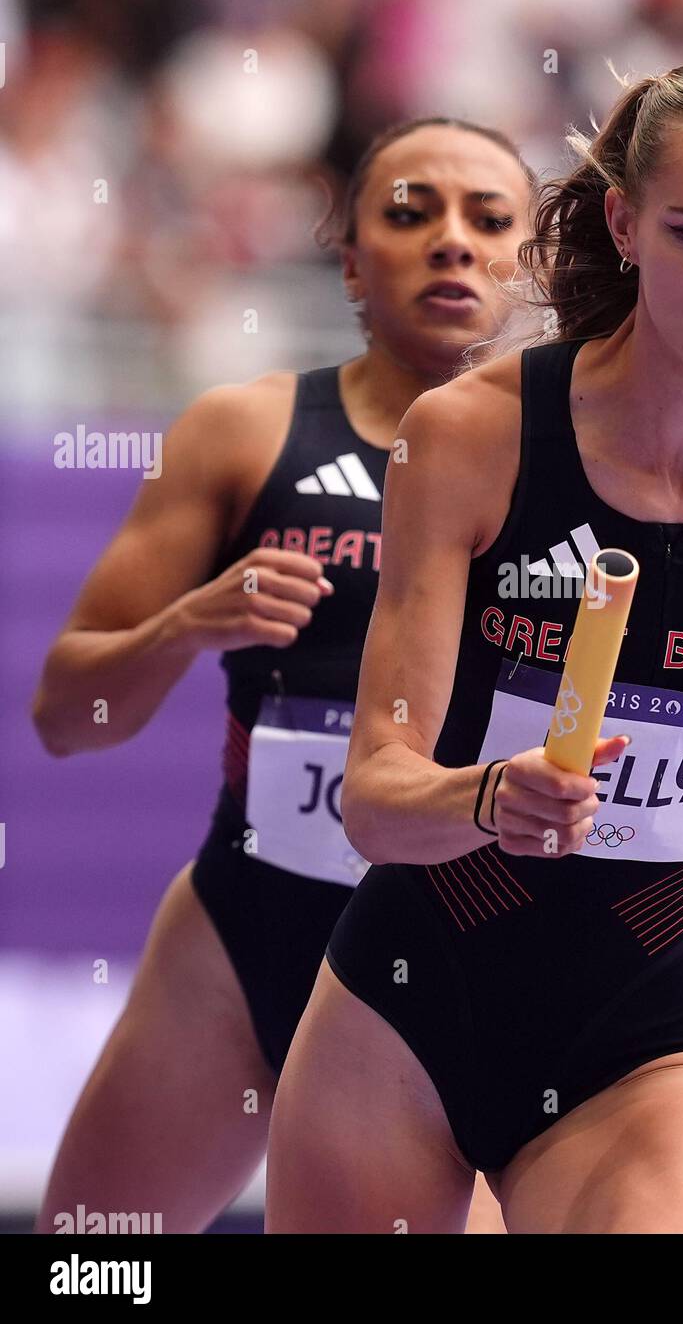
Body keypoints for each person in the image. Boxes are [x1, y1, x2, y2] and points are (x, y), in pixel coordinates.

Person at [265, 56, 683, 1235]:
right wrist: (494, 797)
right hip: (407, 1012)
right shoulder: (472, 438)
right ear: (625, 224)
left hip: (647, 1040)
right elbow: (378, 805)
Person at [31, 117, 538, 1234]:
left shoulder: (582, 462)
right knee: (91, 1263)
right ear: (349, 258)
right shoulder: (247, 432)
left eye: (490, 219)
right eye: (410, 213)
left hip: (470, 958)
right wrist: (185, 623)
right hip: (246, 929)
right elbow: (67, 716)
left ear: (533, 262)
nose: (452, 242)